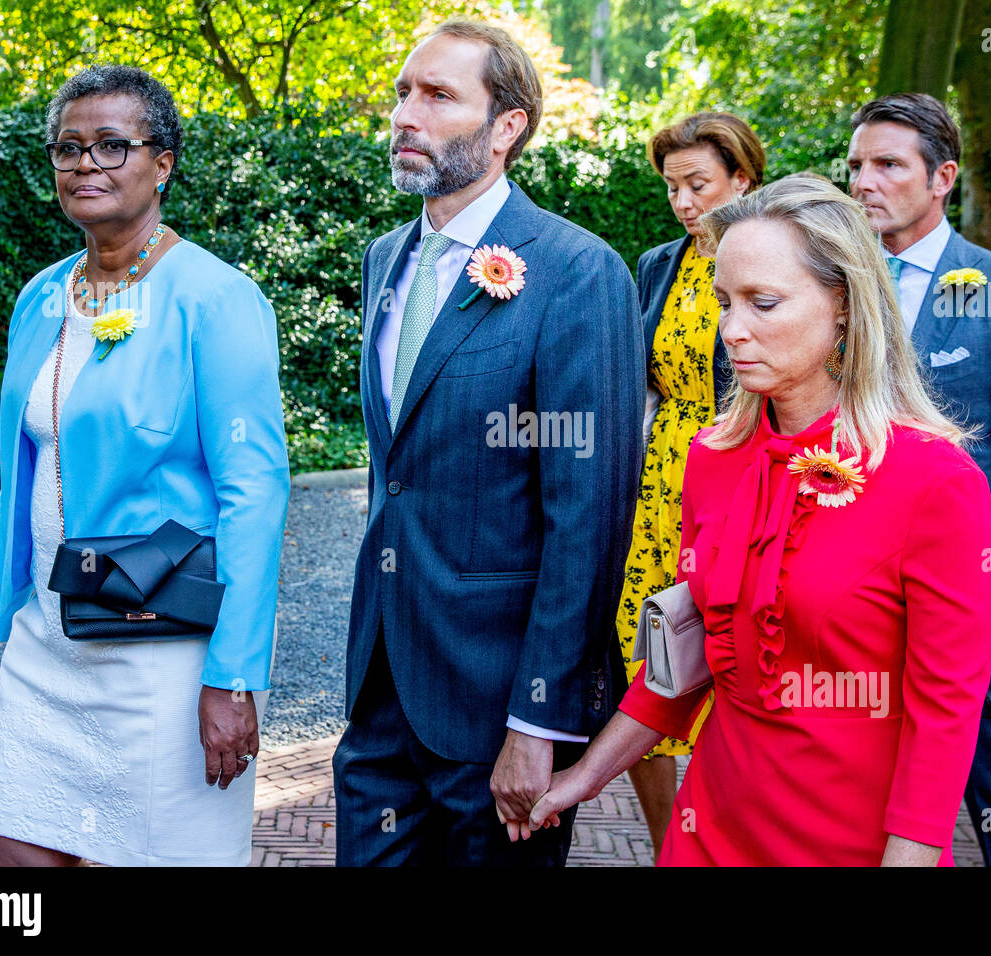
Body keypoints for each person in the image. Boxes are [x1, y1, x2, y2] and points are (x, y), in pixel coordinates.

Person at [523, 176, 991, 865]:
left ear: (844, 304)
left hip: (854, 844)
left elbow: (946, 715)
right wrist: (588, 775)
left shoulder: (935, 481)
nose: (732, 329)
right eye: (724, 301)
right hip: (708, 831)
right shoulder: (712, 457)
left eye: (763, 303)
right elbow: (688, 661)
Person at [0, 65, 290, 866]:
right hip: (47, 646)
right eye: (69, 149)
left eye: (112, 145)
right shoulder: (40, 297)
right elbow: (21, 482)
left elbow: (256, 493)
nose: (86, 166)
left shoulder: (216, 298)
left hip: (163, 653)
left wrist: (234, 677)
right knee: (8, 859)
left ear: (162, 163)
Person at [333, 19, 643, 866]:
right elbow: (394, 473)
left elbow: (589, 514)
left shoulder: (579, 272)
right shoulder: (383, 261)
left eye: (437, 96)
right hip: (382, 691)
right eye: (403, 92)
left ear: (506, 127)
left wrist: (539, 719)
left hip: (499, 702)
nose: (406, 114)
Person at [847, 92, 991, 867]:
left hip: (968, 589)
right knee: (857, 763)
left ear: (942, 176)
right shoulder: (838, 287)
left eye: (887, 165)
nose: (864, 183)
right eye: (855, 165)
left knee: (986, 769)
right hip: (852, 580)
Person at [619, 111, 765, 858]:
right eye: (672, 185)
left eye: (697, 183)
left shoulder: (771, 262)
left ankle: (722, 841)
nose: (681, 201)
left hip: (733, 478)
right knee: (642, 656)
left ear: (742, 179)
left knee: (720, 663)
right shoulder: (657, 264)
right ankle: (664, 846)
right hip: (655, 486)